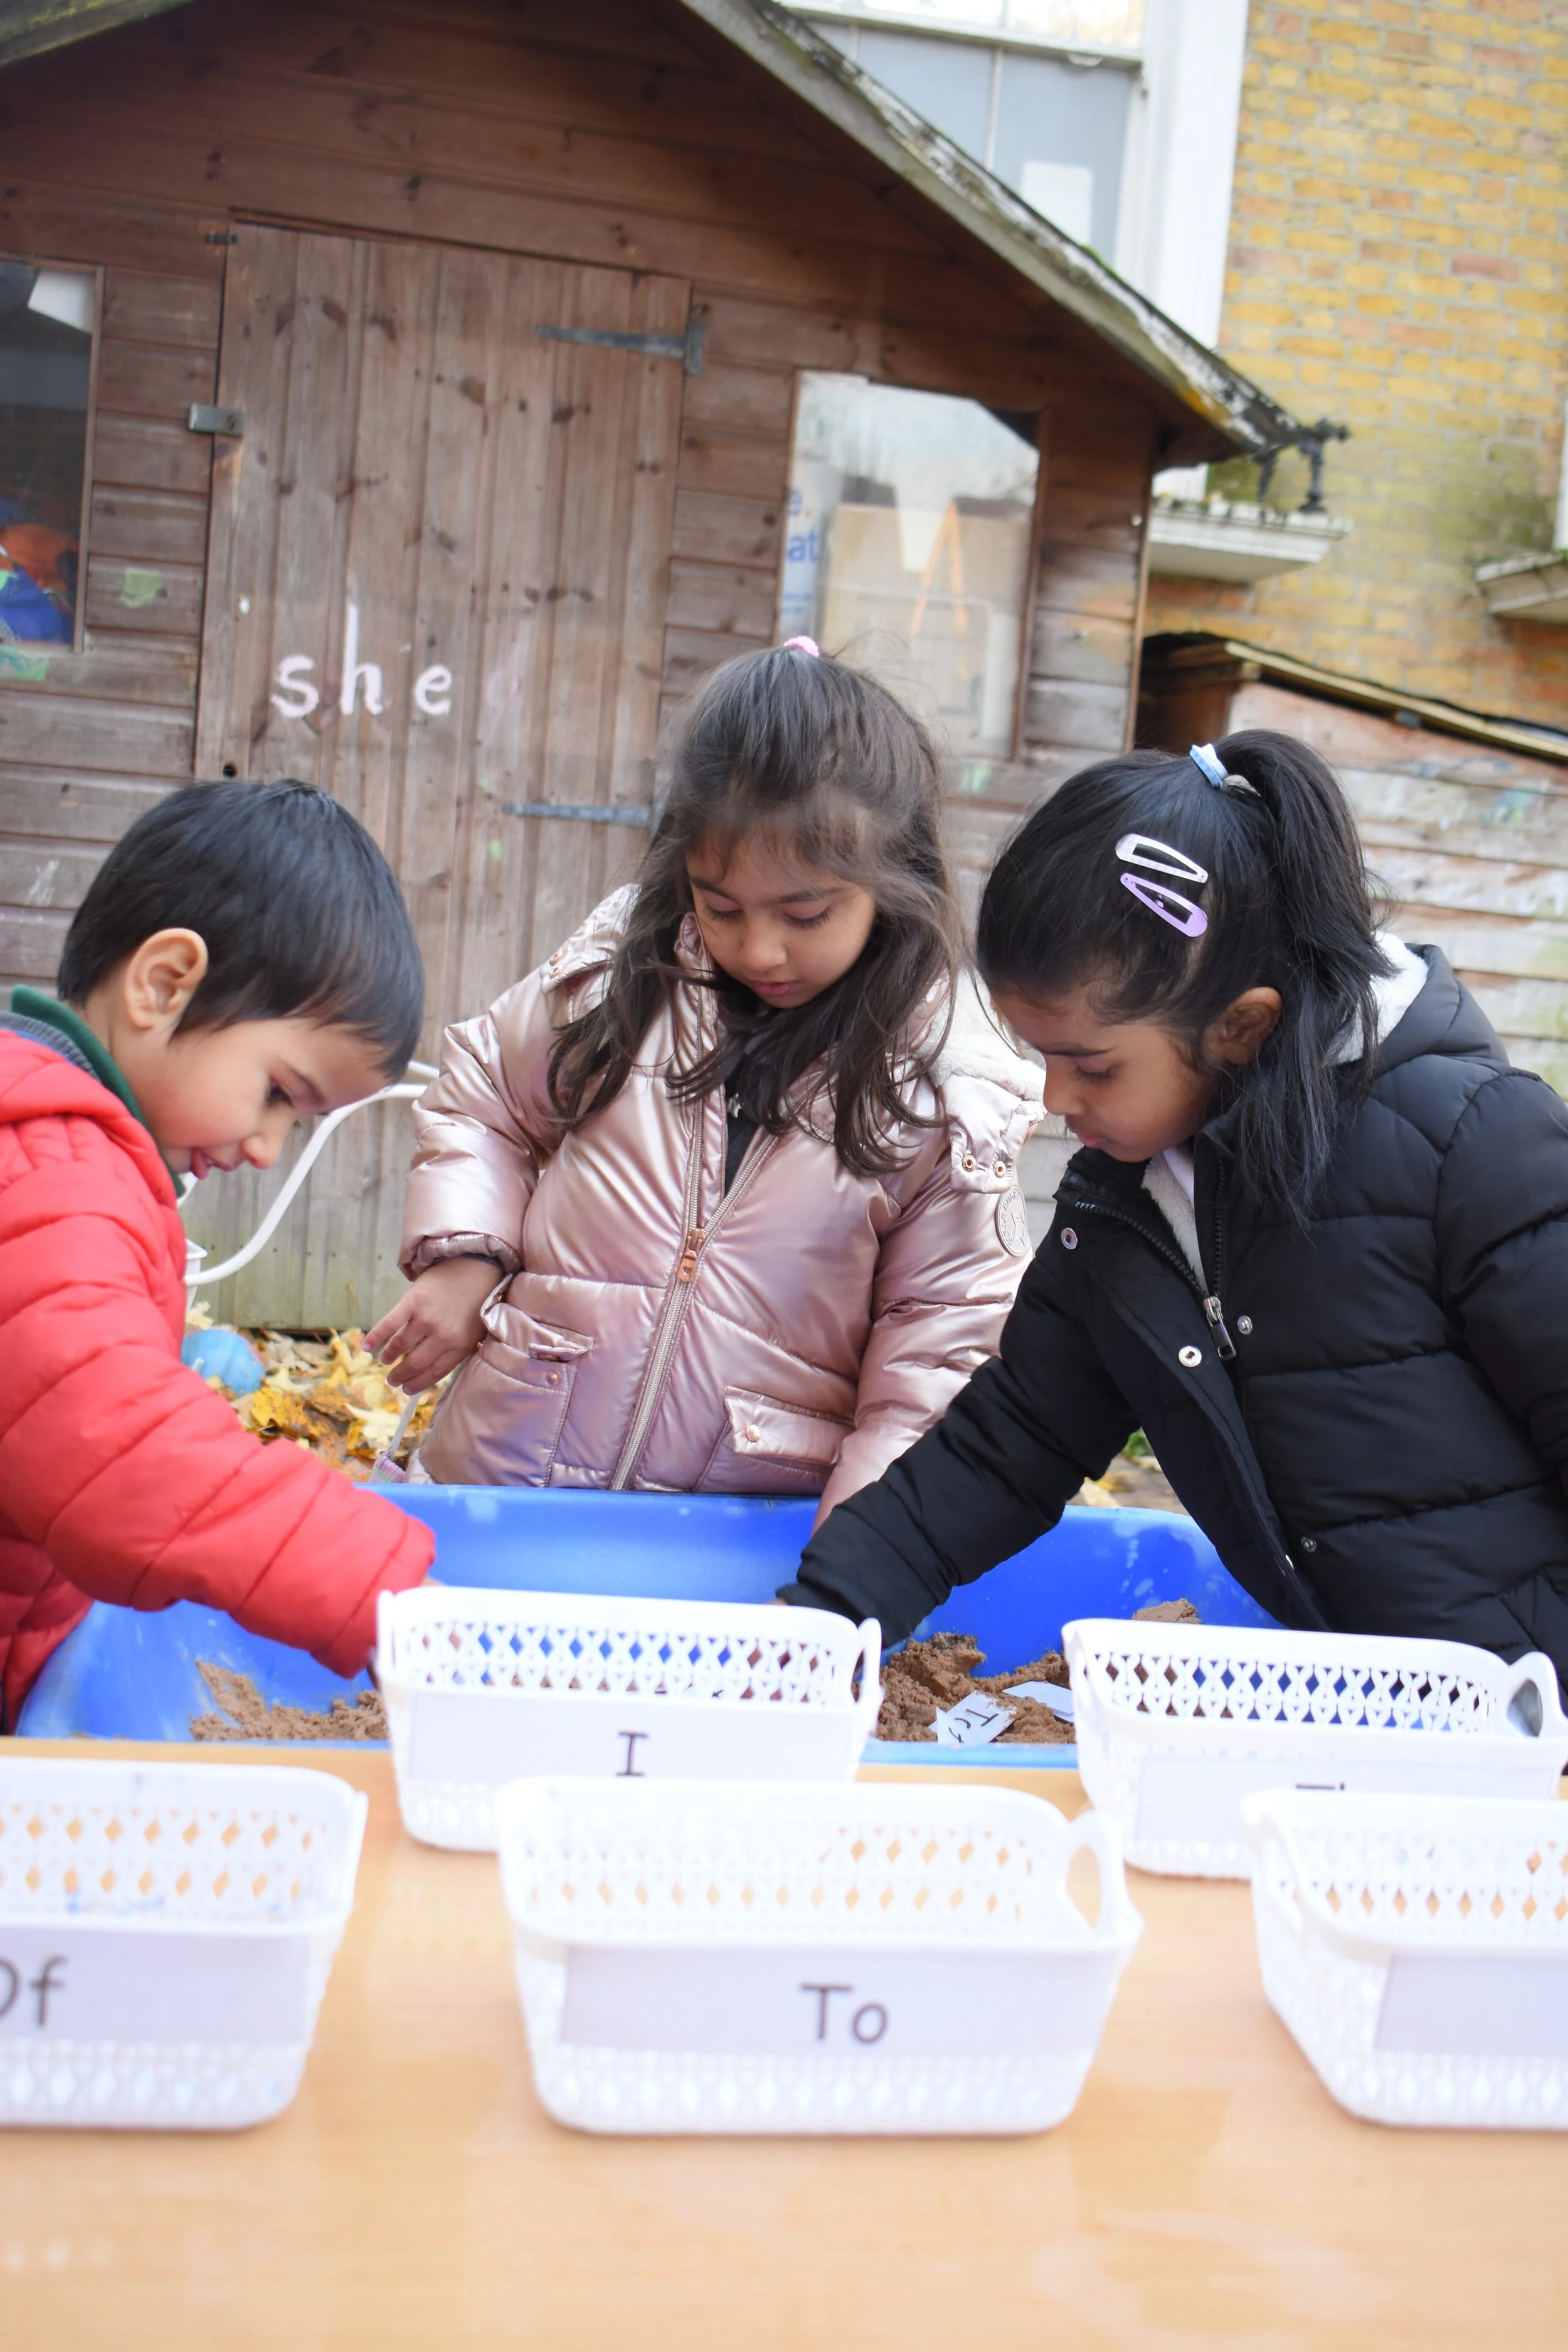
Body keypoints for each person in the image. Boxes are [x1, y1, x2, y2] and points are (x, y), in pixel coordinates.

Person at [783, 730, 1568, 1687]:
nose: (1053, 1100)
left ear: (1243, 1025)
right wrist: (818, 1625)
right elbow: (1013, 1442)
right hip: (1373, 1715)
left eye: (1091, 1064)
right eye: (1039, 1056)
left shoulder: (1473, 1145)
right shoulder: (1122, 1208)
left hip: (1533, 1720)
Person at [369, 640, 1043, 1506]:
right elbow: (485, 1098)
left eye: (806, 914)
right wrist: (465, 1256)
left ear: (892, 880)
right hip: (506, 1489)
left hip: (748, 1544)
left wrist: (858, 1559)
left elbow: (940, 1353)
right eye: (720, 905)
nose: (759, 948)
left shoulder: (943, 1087)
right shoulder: (623, 974)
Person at [0, 778, 435, 1729]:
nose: (268, 1148)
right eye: (279, 1090)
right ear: (163, 984)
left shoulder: (64, 1147)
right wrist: (373, 1578)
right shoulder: (54, 1165)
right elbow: (111, 1450)